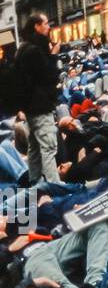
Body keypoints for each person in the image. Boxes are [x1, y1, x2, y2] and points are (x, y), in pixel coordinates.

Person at [14, 12, 61, 185]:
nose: (49, 27)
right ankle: (55, 187)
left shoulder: (23, 49)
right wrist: (54, 55)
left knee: (34, 147)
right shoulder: (35, 50)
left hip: (30, 108)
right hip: (40, 106)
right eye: (46, 23)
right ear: (37, 26)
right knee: (49, 147)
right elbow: (48, 76)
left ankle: (36, 183)